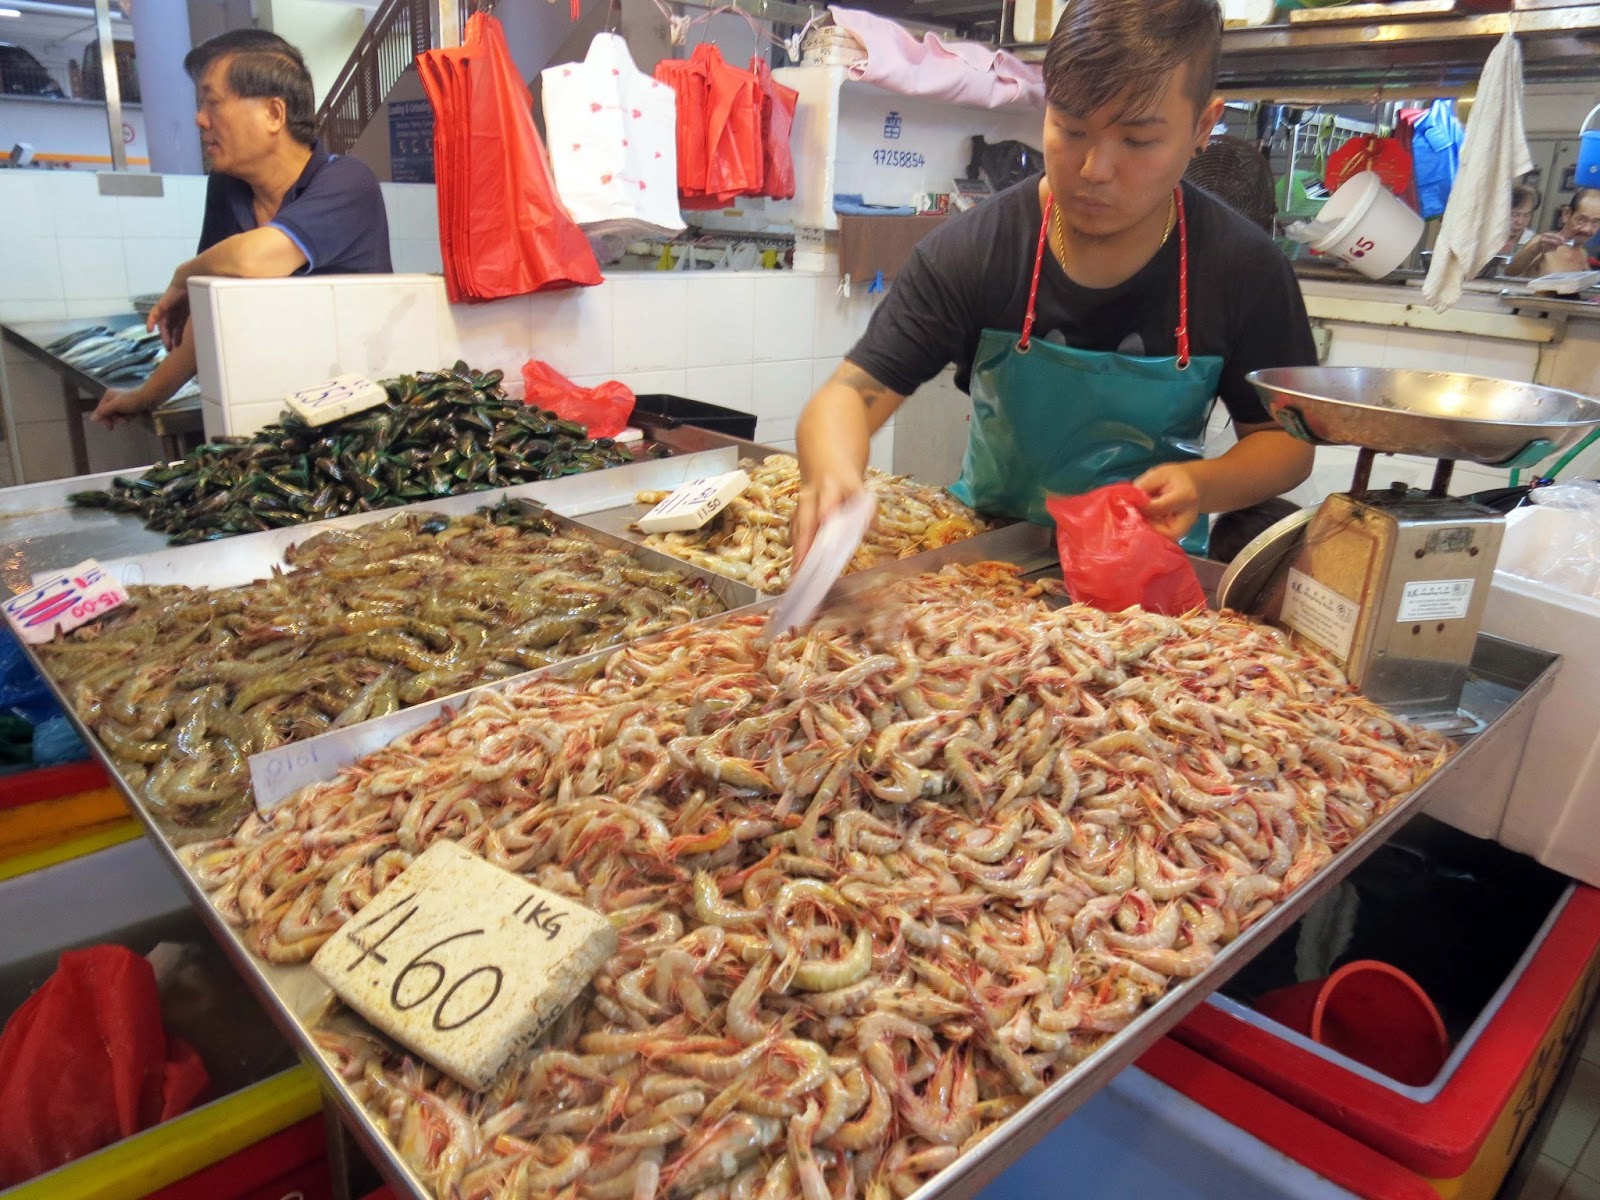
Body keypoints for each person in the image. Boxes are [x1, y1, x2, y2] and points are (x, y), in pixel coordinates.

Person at [791, 0, 1315, 567]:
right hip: (986, 560)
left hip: (1149, 570)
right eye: (1070, 128)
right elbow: (846, 399)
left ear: (1203, 127)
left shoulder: (1245, 268)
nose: (1094, 169)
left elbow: (1288, 444)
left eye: (1138, 141)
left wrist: (1203, 483)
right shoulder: (974, 251)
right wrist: (835, 474)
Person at [92, 31, 392, 428]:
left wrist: (185, 275)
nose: (200, 119)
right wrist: (147, 395)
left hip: (355, 418)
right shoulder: (227, 186)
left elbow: (252, 260)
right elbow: (212, 311)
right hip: (272, 413)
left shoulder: (348, 182)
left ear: (273, 114)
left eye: (212, 102)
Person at [1506, 187, 1600, 279]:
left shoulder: (1582, 254)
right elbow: (1509, 273)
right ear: (1566, 214)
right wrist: (1536, 248)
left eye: (1595, 222)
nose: (1587, 229)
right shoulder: (1541, 243)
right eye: (1581, 220)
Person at [1496, 183, 1539, 258]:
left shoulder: (1533, 243)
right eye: (1514, 215)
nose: (1520, 222)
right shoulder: (1484, 238)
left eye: (1526, 215)